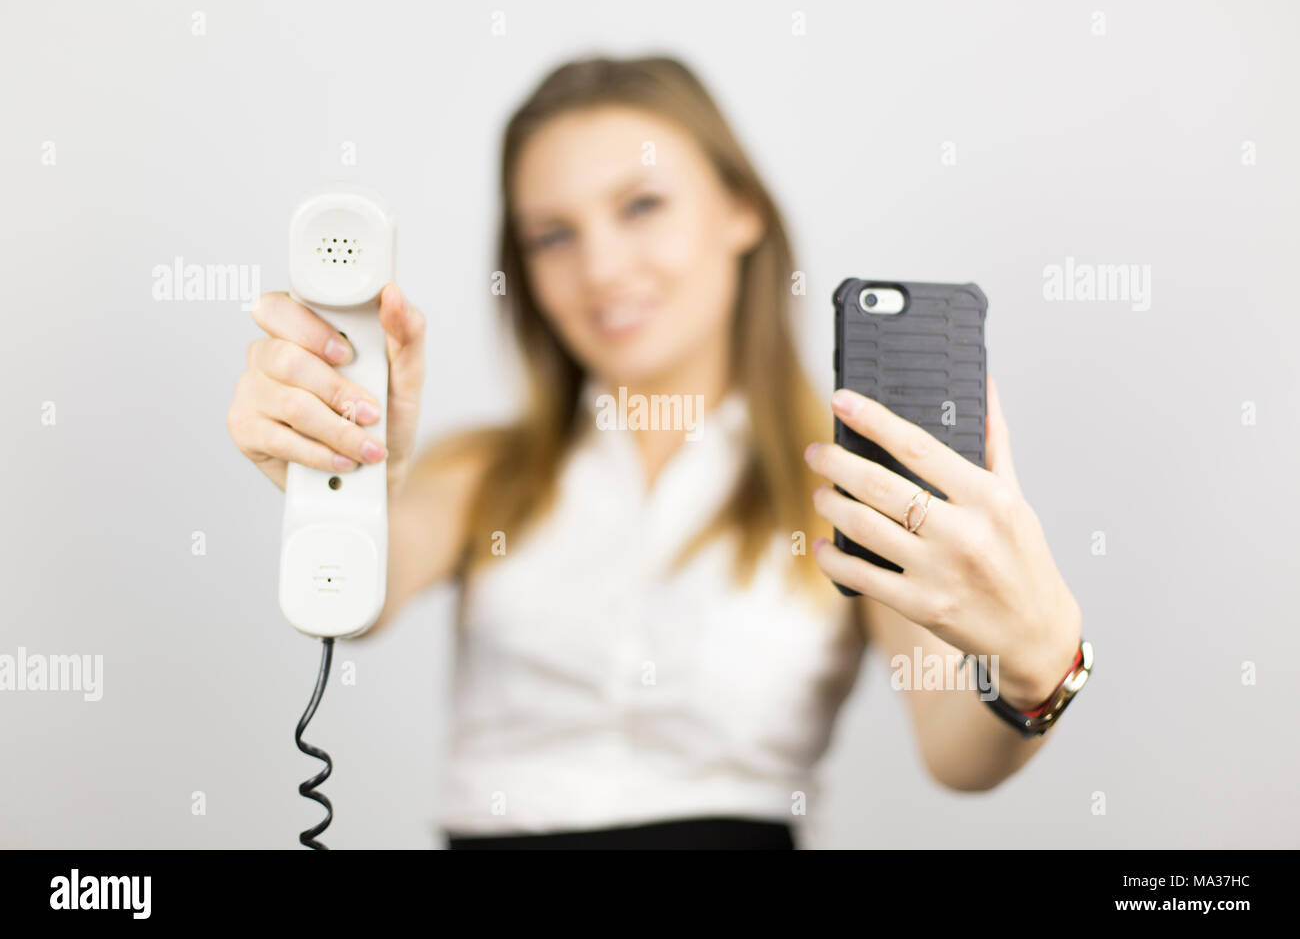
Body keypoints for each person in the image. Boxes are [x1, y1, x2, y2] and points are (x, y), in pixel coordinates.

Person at [226, 54, 1084, 849]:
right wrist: (344, 479)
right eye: (551, 235)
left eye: (641, 206)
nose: (600, 267)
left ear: (741, 210)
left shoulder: (849, 487)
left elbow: (956, 754)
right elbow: (357, 605)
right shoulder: (479, 472)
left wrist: (1038, 664)